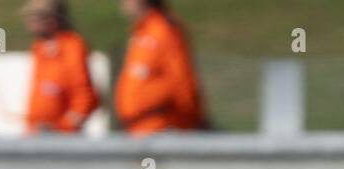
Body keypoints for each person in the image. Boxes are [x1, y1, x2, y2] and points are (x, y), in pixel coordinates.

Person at [114, 0, 206, 135]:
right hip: (139, 131)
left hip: (161, 130)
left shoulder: (163, 30)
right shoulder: (142, 31)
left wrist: (189, 123)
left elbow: (182, 83)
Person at [22, 0, 99, 134]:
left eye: (37, 16)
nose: (30, 21)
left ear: (53, 19)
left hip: (60, 138)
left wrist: (62, 127)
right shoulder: (39, 47)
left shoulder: (72, 46)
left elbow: (85, 98)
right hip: (37, 134)